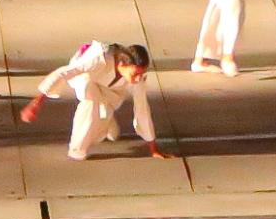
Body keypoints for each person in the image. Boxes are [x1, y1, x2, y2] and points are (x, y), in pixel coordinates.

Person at [20, 41, 168, 161]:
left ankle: (105, 121)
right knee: (90, 106)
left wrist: (153, 148)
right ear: (122, 65)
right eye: (135, 74)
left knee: (101, 131)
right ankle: (77, 149)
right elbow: (64, 72)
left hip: (110, 94)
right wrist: (36, 103)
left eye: (141, 74)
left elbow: (142, 108)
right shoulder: (98, 59)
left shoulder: (138, 78)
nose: (137, 79)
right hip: (85, 79)